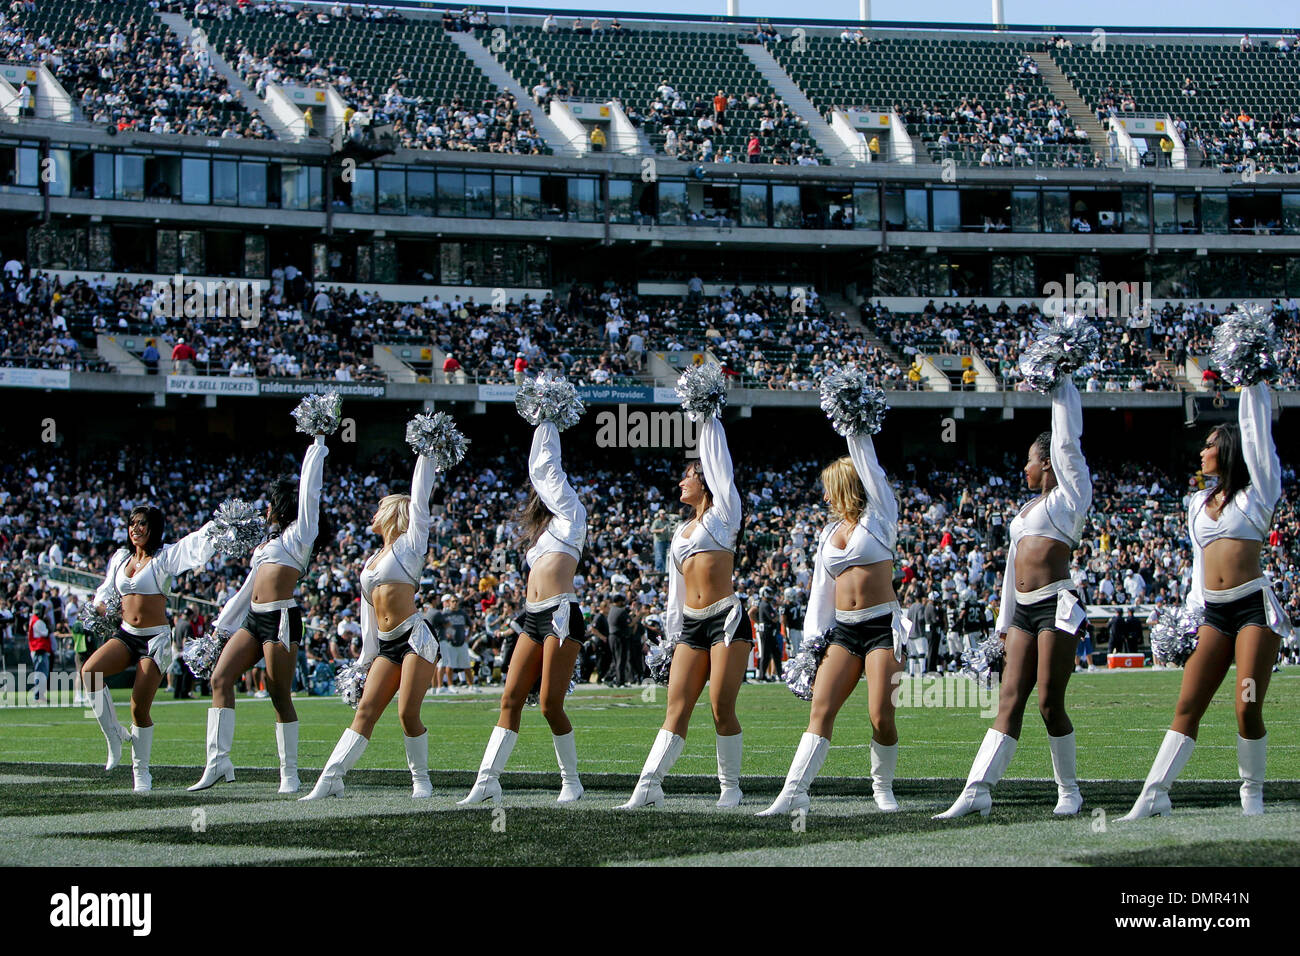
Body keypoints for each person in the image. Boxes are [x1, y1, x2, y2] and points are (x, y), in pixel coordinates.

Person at [1122, 379, 1290, 818]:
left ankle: (1251, 793)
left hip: (1253, 609)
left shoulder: (1258, 494)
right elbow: (1199, 567)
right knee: (1187, 703)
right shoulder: (1197, 501)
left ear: (1228, 451)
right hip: (1213, 613)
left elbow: (1257, 437)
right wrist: (1190, 614)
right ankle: (1154, 795)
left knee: (1245, 704)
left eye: (1209, 445)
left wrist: (1250, 385)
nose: (1201, 452)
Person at [935, 373, 1091, 819]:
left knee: (1048, 702)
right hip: (1022, 613)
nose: (1023, 468)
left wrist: (1060, 385)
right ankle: (977, 789)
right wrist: (1003, 624)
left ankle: (1070, 791)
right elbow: (1009, 571)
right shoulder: (1024, 512)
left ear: (1047, 464)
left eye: (1029, 461)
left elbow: (1067, 443)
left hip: (1057, 606)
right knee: (1008, 700)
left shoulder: (1069, 499)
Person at [759, 386, 909, 815]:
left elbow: (869, 464)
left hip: (882, 626)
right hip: (843, 630)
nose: (824, 496)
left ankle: (882, 788)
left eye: (829, 488)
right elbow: (820, 595)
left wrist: (853, 425)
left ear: (844, 486)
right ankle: (793, 792)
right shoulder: (827, 535)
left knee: (881, 715)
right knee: (820, 710)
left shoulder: (880, 516)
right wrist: (813, 642)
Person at [619, 376, 752, 809]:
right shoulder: (679, 532)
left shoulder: (723, 515)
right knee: (675, 708)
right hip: (691, 626)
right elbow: (676, 592)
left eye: (688, 477)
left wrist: (707, 415)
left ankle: (730, 788)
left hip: (726, 619)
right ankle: (647, 786)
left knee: (719, 707)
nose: (681, 483)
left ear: (705, 482)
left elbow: (718, 463)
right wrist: (673, 634)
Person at [302, 422, 450, 800]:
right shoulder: (370, 562)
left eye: (380, 508)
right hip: (386, 644)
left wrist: (426, 451)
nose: (374, 511)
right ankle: (330, 779)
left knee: (406, 713)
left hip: (416, 638)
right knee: (365, 711)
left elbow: (420, 498)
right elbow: (369, 617)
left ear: (393, 514)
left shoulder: (410, 547)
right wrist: (366, 660)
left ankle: (421, 781)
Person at [460, 379, 588, 805]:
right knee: (510, 696)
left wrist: (545, 422)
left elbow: (547, 471)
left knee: (550, 704)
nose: (543, 493)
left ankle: (571, 781)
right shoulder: (544, 532)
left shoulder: (573, 515)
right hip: (531, 616)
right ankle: (487, 779)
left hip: (561, 614)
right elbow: (540, 480)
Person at [191, 424, 331, 793]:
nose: (265, 508)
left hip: (282, 618)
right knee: (220, 678)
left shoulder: (300, 536)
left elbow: (310, 493)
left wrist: (317, 445)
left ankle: (290, 773)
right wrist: (221, 628)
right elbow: (246, 589)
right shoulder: (267, 544)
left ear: (283, 505)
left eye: (271, 503)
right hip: (253, 620)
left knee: (278, 692)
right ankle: (218, 762)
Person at [83, 507, 219, 791]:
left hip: (154, 640)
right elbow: (108, 589)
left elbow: (194, 544)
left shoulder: (164, 557)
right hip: (126, 634)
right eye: (132, 524)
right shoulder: (121, 558)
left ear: (153, 528)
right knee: (90, 673)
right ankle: (113, 737)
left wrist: (220, 527)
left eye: (142, 524)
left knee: (138, 708)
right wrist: (98, 607)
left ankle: (141, 771)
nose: (136, 529)